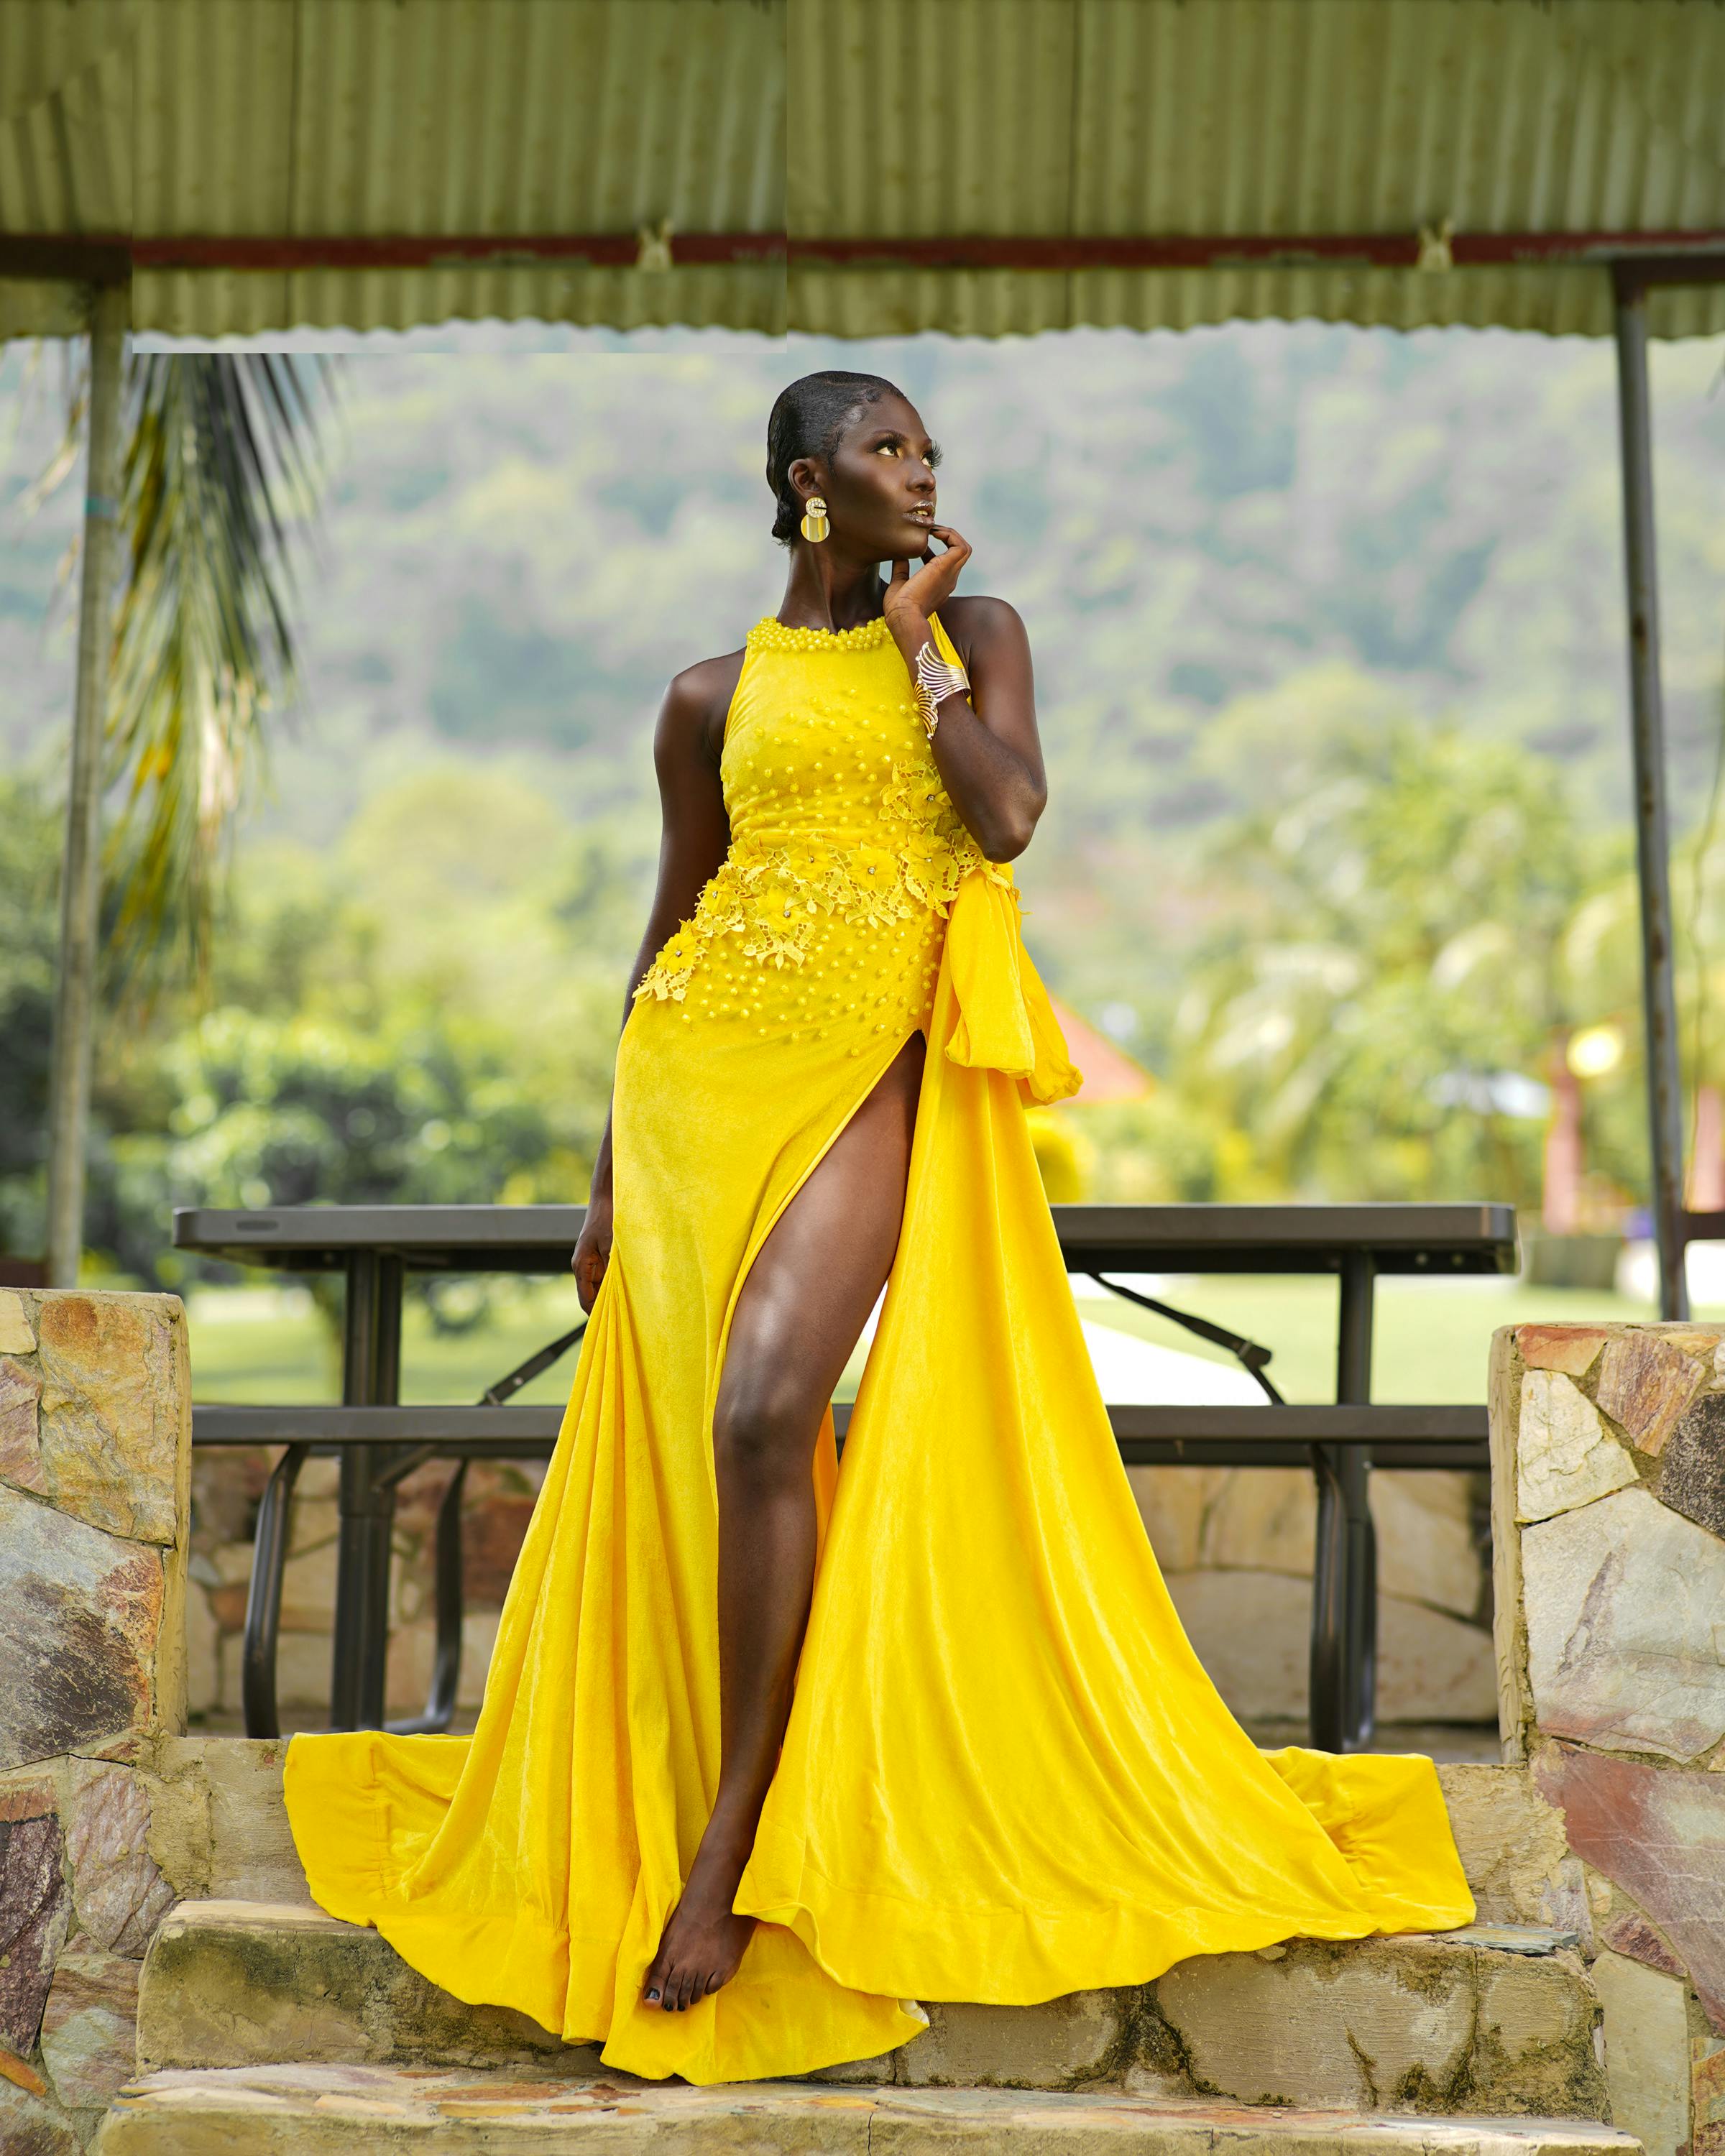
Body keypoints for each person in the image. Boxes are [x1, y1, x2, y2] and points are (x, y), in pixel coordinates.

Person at [282, 369, 1474, 2087]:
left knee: (770, 1404)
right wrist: (608, 1179)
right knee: (709, 1445)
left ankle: (735, 1856)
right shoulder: (708, 692)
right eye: (889, 448)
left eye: (929, 448)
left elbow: (1007, 821)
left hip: (884, 1058)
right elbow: (671, 916)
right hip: (697, 1082)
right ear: (806, 480)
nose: (926, 470)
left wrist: (918, 646)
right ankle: (706, 1794)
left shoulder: (977, 628)